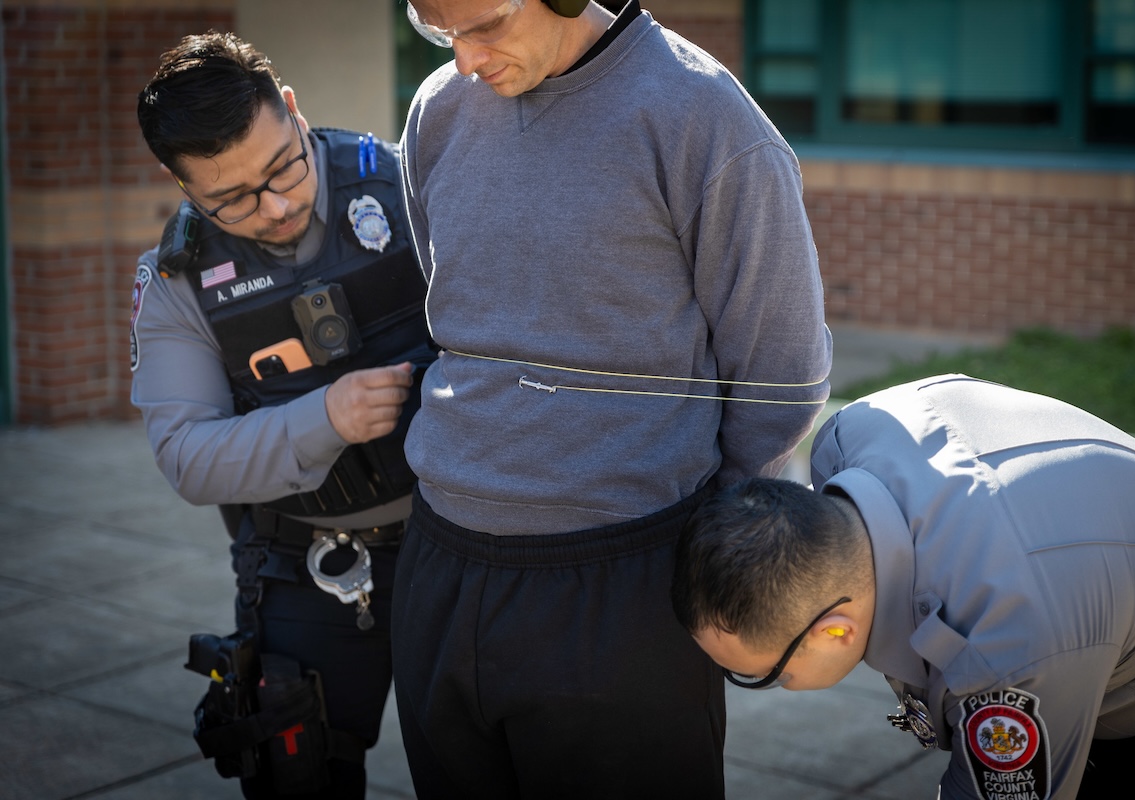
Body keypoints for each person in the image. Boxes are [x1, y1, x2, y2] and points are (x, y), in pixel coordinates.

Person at [393, 0, 832, 796]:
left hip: (624, 581)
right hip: (441, 566)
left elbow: (782, 375)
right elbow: (451, 310)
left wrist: (702, 541)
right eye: (439, 32)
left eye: (484, 26)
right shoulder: (437, 112)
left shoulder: (707, 120)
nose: (463, 61)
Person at [130, 32, 438, 799]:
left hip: (460, 541)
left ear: (293, 110)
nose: (274, 207)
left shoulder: (407, 181)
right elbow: (186, 457)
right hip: (308, 563)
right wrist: (324, 417)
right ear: (179, 183)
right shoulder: (174, 280)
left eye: (282, 169)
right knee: (295, 772)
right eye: (231, 199)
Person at [672, 374, 1135, 800]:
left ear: (835, 632)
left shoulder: (1002, 647)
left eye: (763, 676)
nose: (741, 679)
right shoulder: (850, 435)